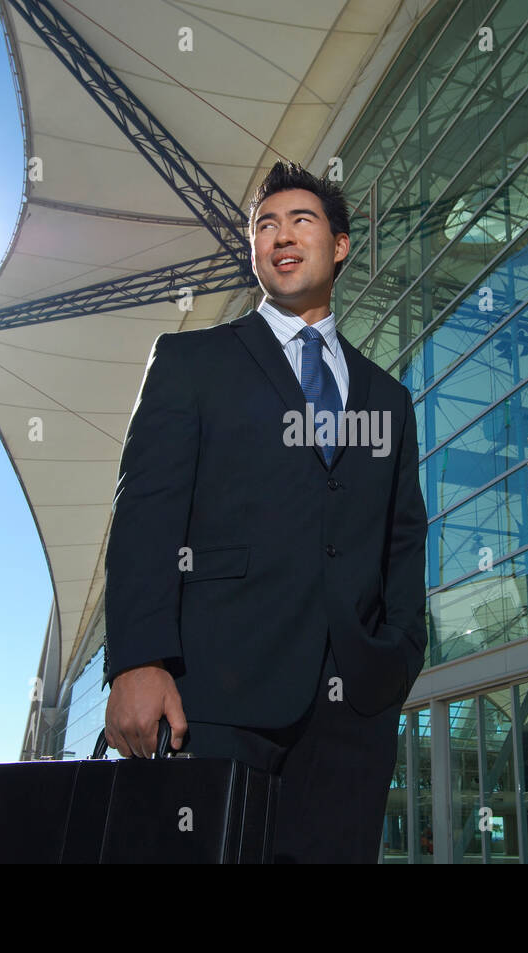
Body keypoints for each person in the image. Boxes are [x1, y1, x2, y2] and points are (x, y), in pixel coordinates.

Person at [102, 160, 428, 863]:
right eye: (264, 225)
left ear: (339, 245)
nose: (280, 235)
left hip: (351, 714)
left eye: (301, 220)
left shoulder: (389, 399)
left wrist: (399, 653)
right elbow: (145, 514)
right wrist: (137, 659)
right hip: (211, 696)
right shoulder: (191, 361)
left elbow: (403, 538)